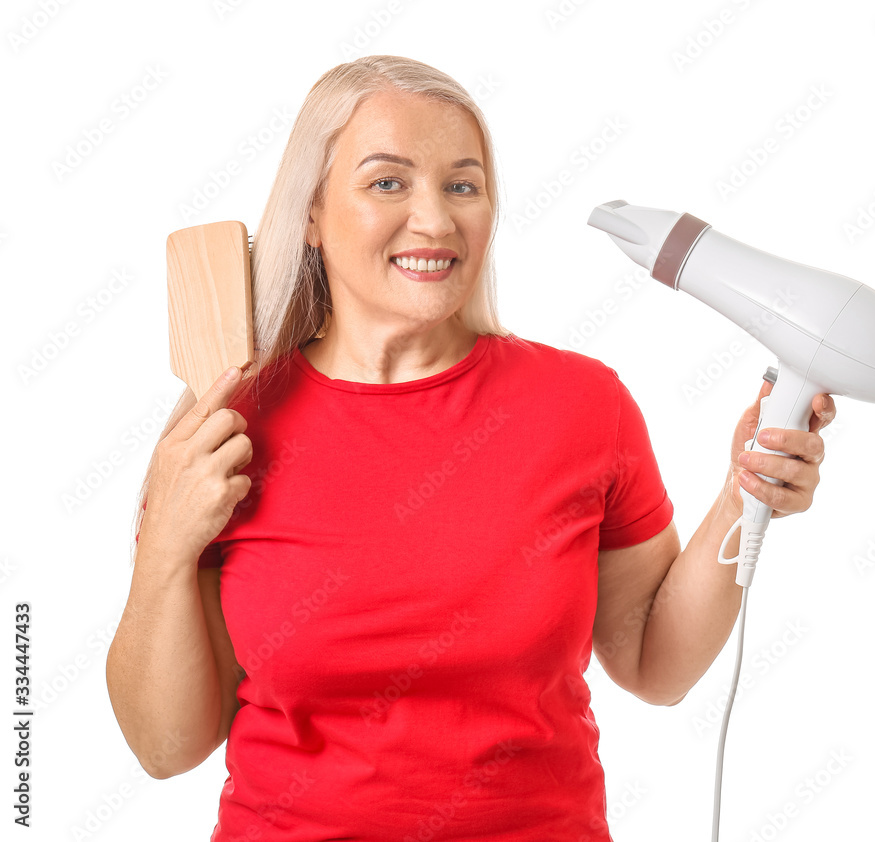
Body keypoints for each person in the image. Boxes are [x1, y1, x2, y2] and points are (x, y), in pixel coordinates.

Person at [106, 55, 836, 841]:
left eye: (462, 185)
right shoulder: (227, 429)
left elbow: (656, 667)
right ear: (311, 213)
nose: (435, 220)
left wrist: (744, 493)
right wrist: (166, 544)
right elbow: (165, 748)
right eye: (389, 182)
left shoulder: (583, 405)